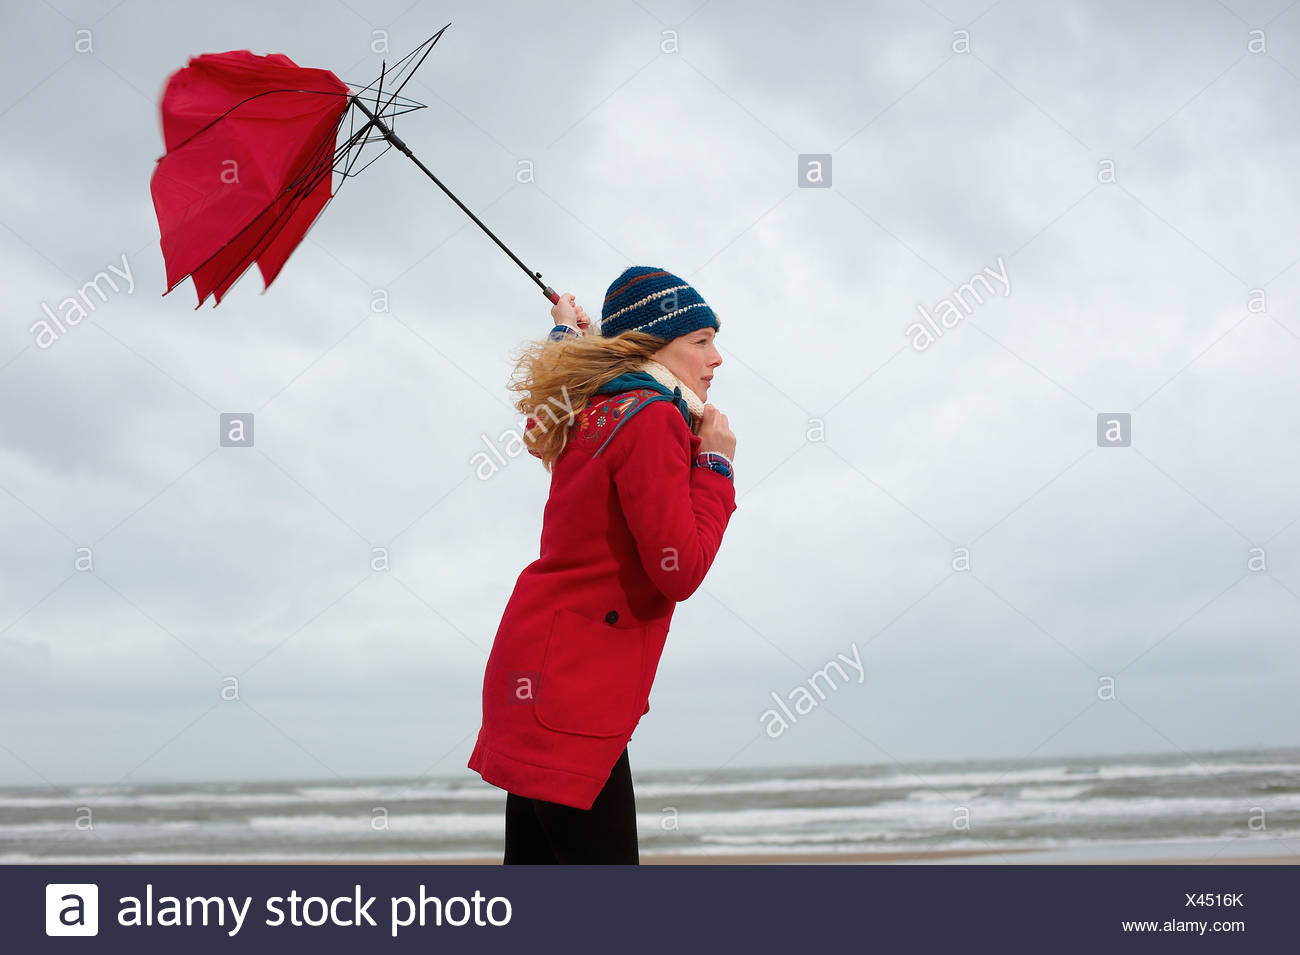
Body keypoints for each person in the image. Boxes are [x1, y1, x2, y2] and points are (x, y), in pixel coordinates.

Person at [467, 266, 738, 864]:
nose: (716, 357)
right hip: (571, 692)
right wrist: (715, 465)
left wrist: (566, 335)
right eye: (700, 340)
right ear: (651, 347)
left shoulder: (591, 408)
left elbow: (541, 426)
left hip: (541, 676)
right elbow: (679, 570)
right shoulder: (651, 416)